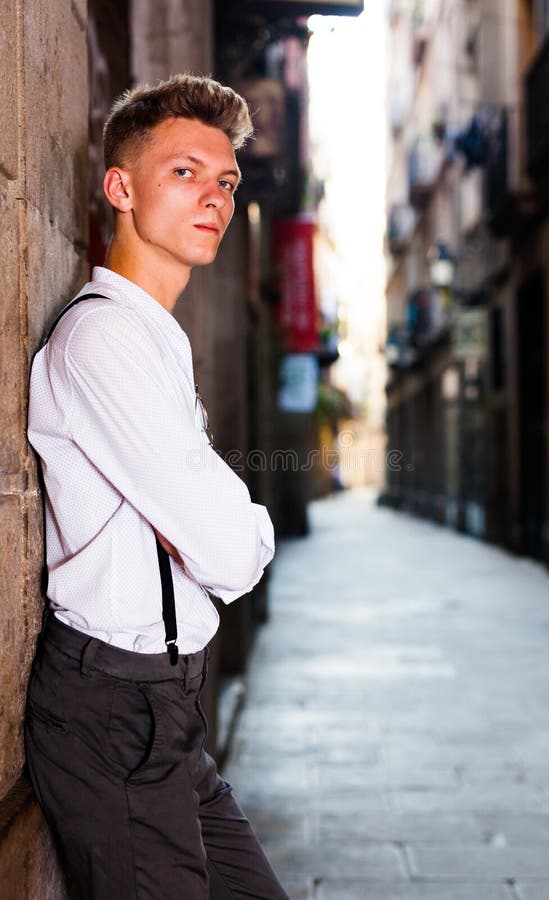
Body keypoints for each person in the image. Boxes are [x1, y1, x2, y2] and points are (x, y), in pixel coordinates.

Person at [26, 73, 289, 900]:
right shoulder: (104, 337)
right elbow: (227, 551)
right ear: (121, 188)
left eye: (226, 181)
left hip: (170, 711)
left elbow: (210, 526)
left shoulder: (157, 340)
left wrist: (222, 517)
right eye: (184, 172)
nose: (213, 195)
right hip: (111, 709)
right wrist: (239, 523)